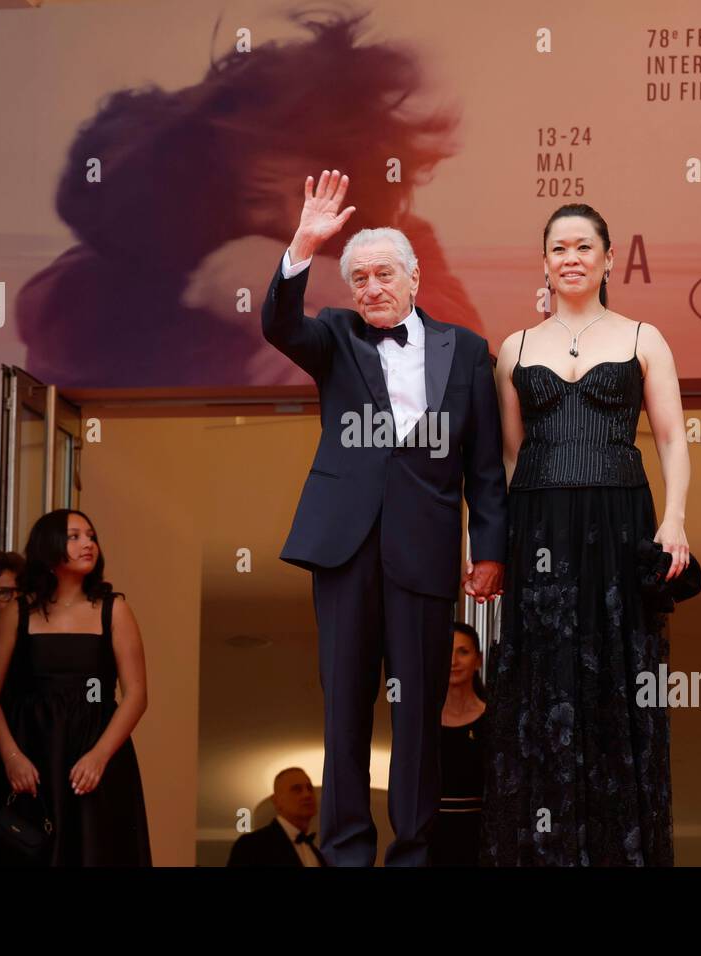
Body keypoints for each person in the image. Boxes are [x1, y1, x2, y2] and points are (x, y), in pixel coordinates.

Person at [17, 10, 481, 390]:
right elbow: (50, 316)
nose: (290, 217)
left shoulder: (393, 239)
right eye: (259, 196)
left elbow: (468, 356)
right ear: (224, 184)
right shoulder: (170, 235)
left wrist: (332, 297)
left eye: (312, 192)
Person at [262, 170, 508, 866]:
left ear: (413, 278)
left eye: (383, 275)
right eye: (359, 277)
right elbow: (280, 324)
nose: (371, 288)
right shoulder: (335, 337)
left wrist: (489, 549)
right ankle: (345, 852)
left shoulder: (464, 351)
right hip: (343, 548)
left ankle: (413, 851)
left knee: (419, 712)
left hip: (424, 551)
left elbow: (485, 465)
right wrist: (302, 246)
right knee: (344, 707)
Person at [483, 204, 692, 866]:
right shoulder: (515, 347)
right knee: (542, 682)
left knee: (618, 681)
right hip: (538, 525)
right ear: (543, 262)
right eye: (557, 247)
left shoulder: (643, 339)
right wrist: (500, 544)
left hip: (619, 525)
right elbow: (510, 457)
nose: (570, 256)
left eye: (583, 246)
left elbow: (669, 440)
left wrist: (675, 520)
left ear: (607, 258)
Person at [0, 509, 150, 866]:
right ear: (49, 546)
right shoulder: (18, 612)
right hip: (33, 752)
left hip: (97, 755)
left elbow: (136, 696)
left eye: (90, 536)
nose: (88, 544)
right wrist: (12, 758)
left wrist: (99, 756)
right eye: (74, 536)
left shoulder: (115, 609)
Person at [429, 622, 489, 867]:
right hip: (431, 840)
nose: (453, 660)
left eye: (463, 652)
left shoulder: (495, 719)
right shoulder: (422, 722)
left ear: (478, 660)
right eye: (446, 651)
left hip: (482, 839)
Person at [226, 767, 326, 867]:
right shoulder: (251, 845)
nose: (307, 794)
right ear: (276, 801)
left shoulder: (317, 853)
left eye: (309, 788)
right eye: (297, 789)